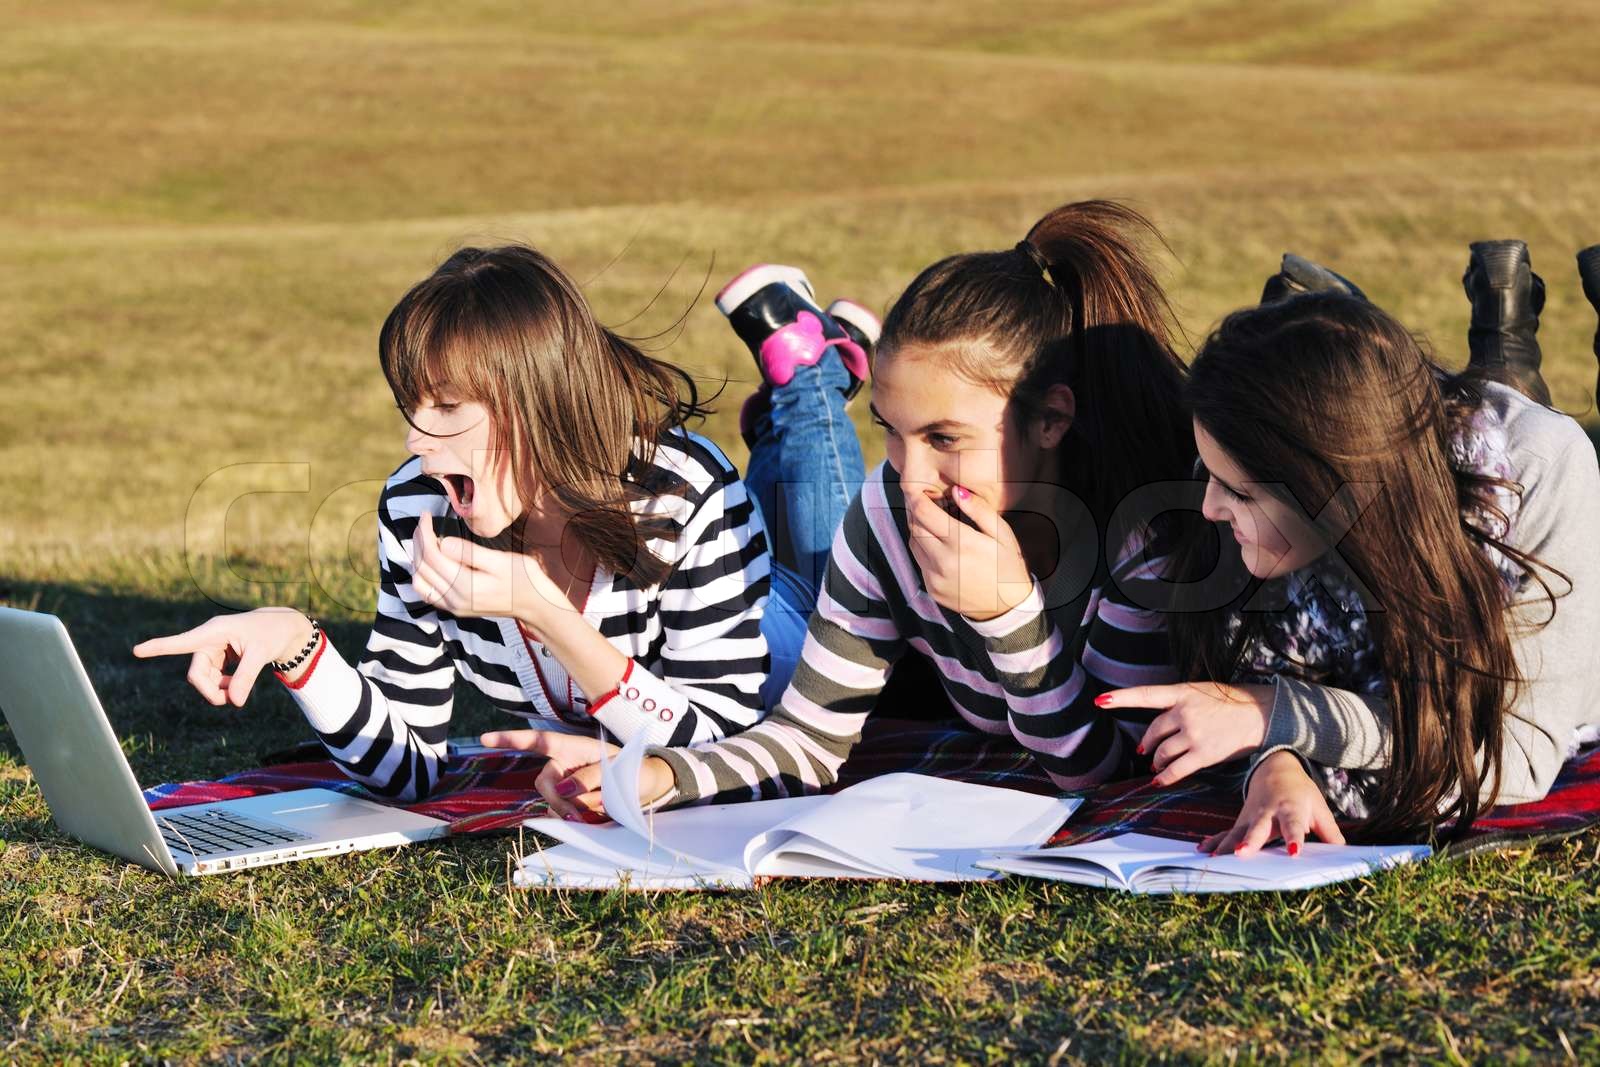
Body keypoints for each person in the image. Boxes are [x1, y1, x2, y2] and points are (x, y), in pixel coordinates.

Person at [133, 245, 875, 808]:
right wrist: (298, 645)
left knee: (816, 570)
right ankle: (811, 365)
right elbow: (412, 767)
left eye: (449, 409)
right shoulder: (419, 504)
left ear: (538, 401)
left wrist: (546, 612)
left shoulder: (683, 489)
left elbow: (716, 740)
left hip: (774, 655)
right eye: (410, 410)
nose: (415, 443)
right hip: (680, 645)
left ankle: (814, 375)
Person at [537, 200, 1199, 817]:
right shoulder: (888, 510)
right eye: (888, 427)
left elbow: (1109, 775)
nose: (906, 477)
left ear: (1052, 419)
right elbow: (808, 738)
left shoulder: (1135, 535)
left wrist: (1009, 616)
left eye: (944, 438)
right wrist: (664, 777)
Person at [1099, 284, 1600, 854]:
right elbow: (1260, 684)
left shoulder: (1539, 472)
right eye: (1210, 476)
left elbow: (1516, 754)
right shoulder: (1266, 472)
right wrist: (1276, 765)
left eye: (1239, 493)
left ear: (1328, 488)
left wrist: (1278, 716)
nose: (1210, 509)